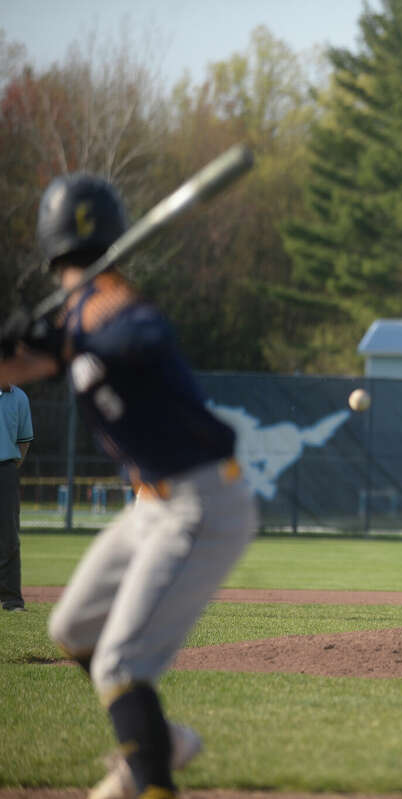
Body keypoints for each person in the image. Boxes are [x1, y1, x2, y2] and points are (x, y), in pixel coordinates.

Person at [0, 173, 258, 799]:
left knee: (119, 664)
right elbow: (21, 366)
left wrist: (64, 340)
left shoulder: (113, 305)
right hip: (153, 504)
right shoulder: (72, 319)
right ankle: (160, 740)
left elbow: (137, 337)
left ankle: (150, 777)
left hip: (202, 500)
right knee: (73, 628)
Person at [0, 382, 33, 611]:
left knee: (9, 536)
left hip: (5, 470)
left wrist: (11, 467)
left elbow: (24, 441)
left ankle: (12, 600)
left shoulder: (19, 397)